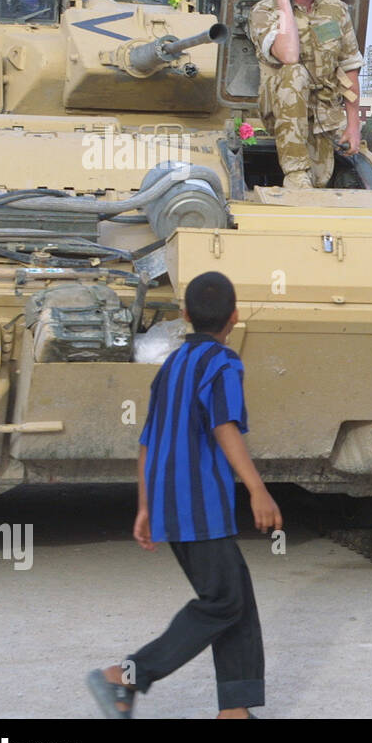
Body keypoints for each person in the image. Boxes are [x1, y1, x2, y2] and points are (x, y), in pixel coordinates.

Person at [87, 272, 282, 719]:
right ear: (235, 316)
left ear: (185, 316)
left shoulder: (172, 366)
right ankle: (126, 677)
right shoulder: (224, 363)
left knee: (235, 597)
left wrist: (144, 506)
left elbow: (147, 441)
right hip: (201, 506)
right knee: (223, 601)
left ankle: (235, 710)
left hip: (170, 501)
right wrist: (258, 490)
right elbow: (224, 424)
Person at [246, 0, 363, 190]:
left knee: (322, 182)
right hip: (281, 109)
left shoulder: (335, 9)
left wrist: (354, 125)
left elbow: (350, 67)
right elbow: (288, 56)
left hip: (324, 112)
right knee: (294, 72)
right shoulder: (264, 12)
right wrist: (283, 1)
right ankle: (295, 172)